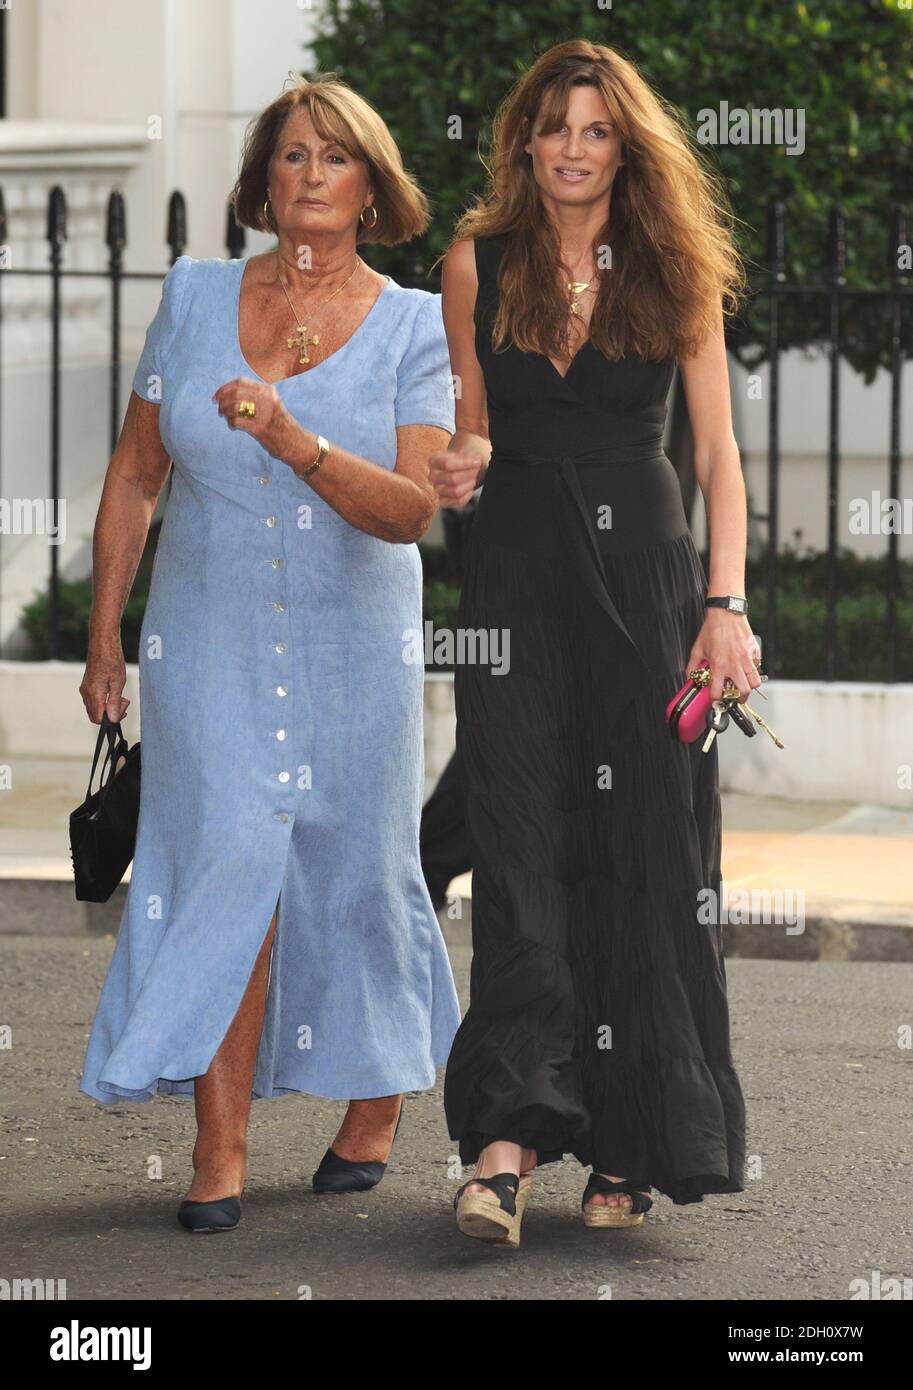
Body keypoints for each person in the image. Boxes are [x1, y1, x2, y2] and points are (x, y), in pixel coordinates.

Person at [78, 74, 461, 1231]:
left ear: (370, 186)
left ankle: (376, 1105)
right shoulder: (192, 297)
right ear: (265, 177)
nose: (310, 176)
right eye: (292, 154)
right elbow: (138, 471)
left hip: (359, 644)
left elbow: (410, 510)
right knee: (225, 869)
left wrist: (296, 441)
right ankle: (221, 1143)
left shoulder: (412, 323)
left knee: (358, 870)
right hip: (205, 641)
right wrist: (103, 634)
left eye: (335, 157)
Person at [429, 38, 755, 1247]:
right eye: (554, 126)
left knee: (642, 854)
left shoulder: (673, 267)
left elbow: (716, 457)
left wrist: (722, 607)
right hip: (512, 580)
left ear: (626, 145)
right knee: (519, 844)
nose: (571, 147)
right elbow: (473, 431)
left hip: (643, 585)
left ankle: (630, 1137)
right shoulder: (478, 260)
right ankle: (505, 1140)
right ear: (524, 138)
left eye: (595, 129)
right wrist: (462, 464)